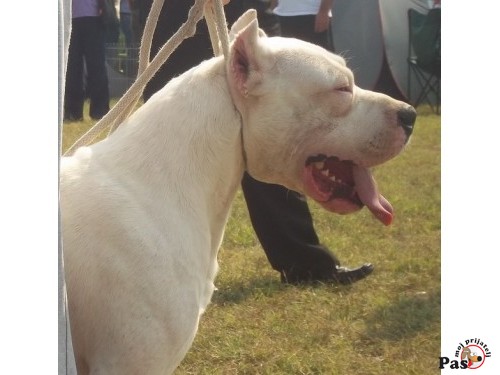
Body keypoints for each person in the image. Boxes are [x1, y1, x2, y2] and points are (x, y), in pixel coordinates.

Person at [142, 0, 373, 284]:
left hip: (242, 10)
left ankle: (305, 262)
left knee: (275, 131)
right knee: (171, 144)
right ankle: (159, 267)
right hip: (177, 15)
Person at [64, 0, 110, 121]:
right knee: (72, 68)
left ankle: (100, 112)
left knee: (97, 66)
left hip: (94, 18)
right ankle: (72, 112)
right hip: (71, 19)